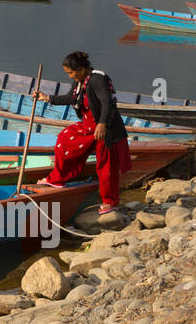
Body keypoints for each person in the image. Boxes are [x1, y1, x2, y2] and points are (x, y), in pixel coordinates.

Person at [31, 51, 130, 214]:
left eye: (71, 72)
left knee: (106, 166)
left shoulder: (97, 79)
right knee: (64, 139)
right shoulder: (80, 82)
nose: (70, 76)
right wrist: (46, 97)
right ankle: (58, 179)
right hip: (89, 126)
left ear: (82, 69)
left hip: (107, 129)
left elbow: (107, 102)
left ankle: (110, 202)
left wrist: (103, 124)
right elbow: (70, 98)